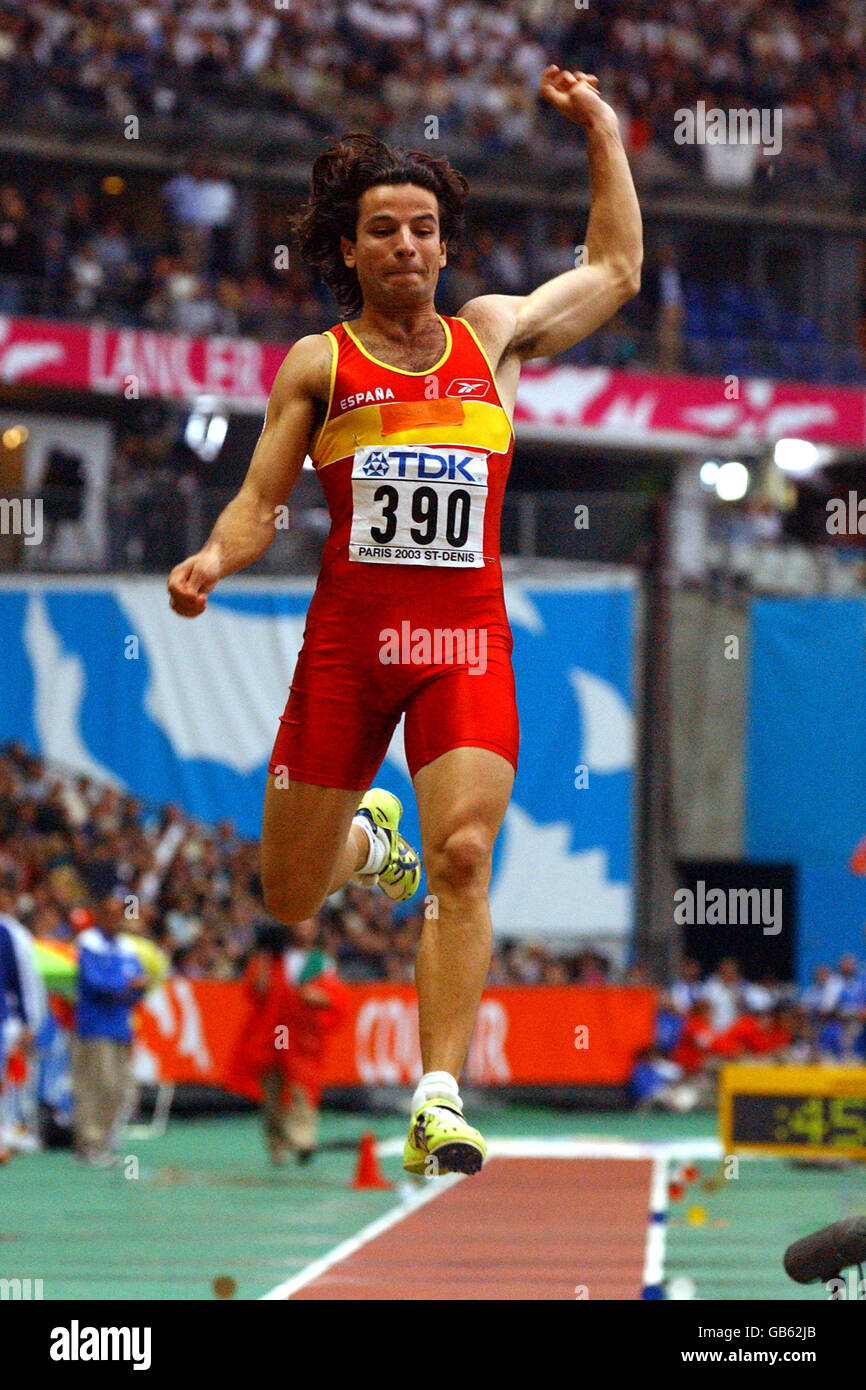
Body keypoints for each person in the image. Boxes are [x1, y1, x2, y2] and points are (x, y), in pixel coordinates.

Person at [168, 65, 642, 1176]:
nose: (405, 247)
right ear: (348, 249)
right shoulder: (318, 366)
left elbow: (615, 268)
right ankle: (368, 840)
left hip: (462, 639)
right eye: (381, 231)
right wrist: (212, 558)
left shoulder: (494, 338)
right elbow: (256, 502)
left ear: (442, 245)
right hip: (348, 647)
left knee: (466, 856)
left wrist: (604, 135)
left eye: (423, 230)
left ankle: (437, 1094)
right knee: (288, 894)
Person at [227, 918, 349, 1164]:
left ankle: (303, 1140)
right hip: (270, 1036)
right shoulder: (270, 959)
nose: (305, 929)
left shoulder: (321, 962)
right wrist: (262, 957)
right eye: (301, 924)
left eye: (310, 925)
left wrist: (319, 998)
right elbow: (256, 991)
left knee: (302, 1090)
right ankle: (277, 1144)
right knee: (272, 1095)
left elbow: (333, 996)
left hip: (302, 1038)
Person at [71, 888, 148, 1165]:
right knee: (94, 1086)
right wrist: (126, 985)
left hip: (119, 1026)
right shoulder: (88, 943)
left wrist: (132, 987)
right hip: (94, 1027)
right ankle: (89, 1144)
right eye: (112, 915)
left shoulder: (127, 946)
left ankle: (105, 1139)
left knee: (118, 1088)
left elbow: (141, 983)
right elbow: (94, 983)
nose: (117, 921)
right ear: (100, 916)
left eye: (120, 916)